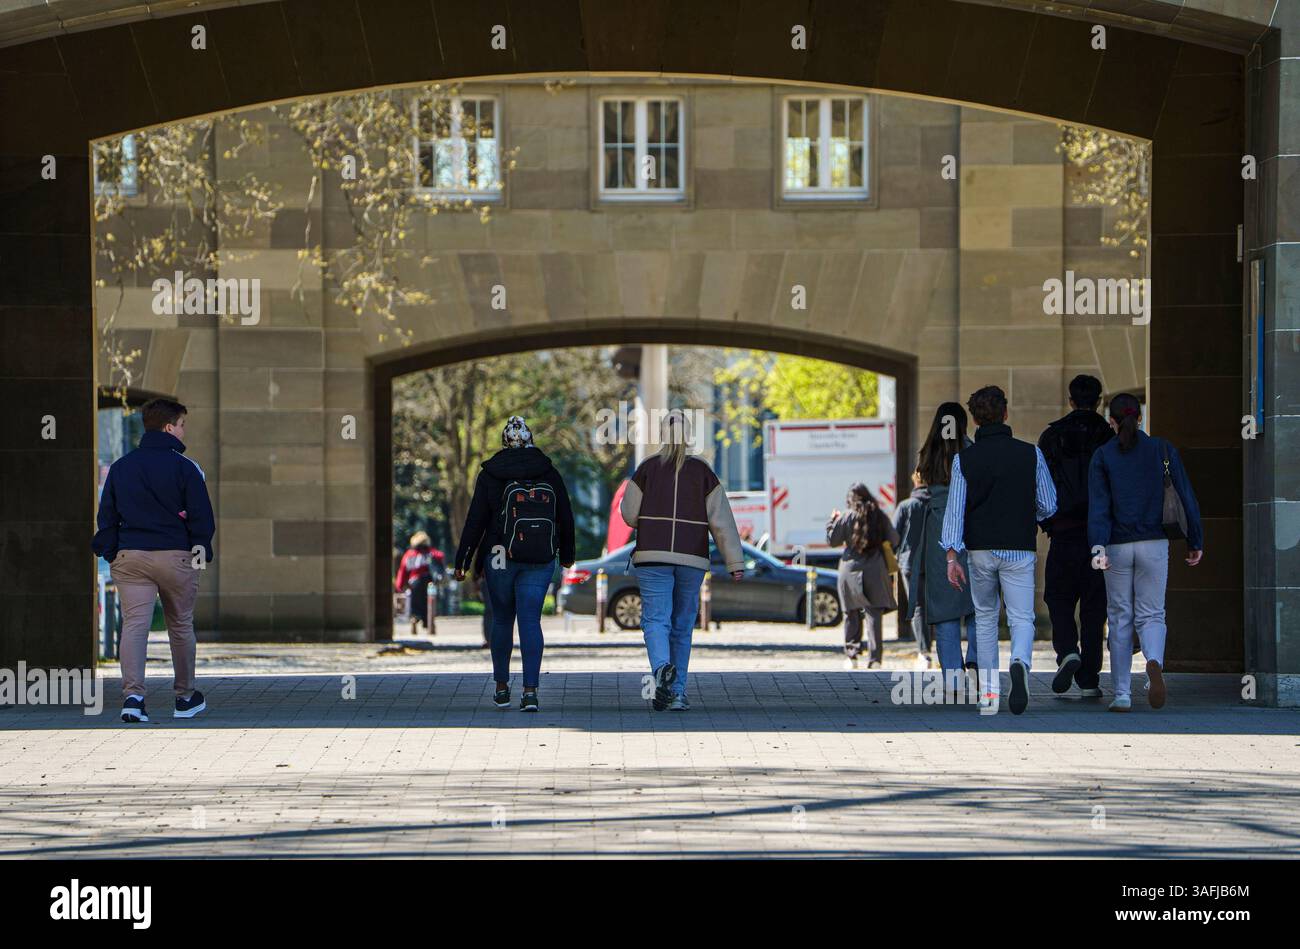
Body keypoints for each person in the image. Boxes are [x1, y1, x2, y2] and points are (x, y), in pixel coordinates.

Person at [91, 398, 214, 723]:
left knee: (133, 626)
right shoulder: (187, 468)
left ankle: (133, 698)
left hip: (130, 556)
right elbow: (201, 517)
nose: (184, 431)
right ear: (170, 427)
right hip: (176, 556)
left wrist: (111, 550)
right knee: (180, 625)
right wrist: (201, 547)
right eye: (183, 425)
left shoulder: (121, 467)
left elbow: (107, 517)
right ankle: (185, 698)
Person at [942, 386, 1057, 715]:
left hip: (979, 550)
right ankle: (1019, 662)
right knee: (1022, 617)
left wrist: (952, 556)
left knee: (986, 618)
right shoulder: (1030, 454)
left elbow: (955, 511)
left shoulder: (964, 459)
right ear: (1006, 414)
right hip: (1020, 546)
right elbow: (1049, 504)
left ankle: (989, 693)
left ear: (976, 419)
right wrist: (1028, 514)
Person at [620, 409, 744, 711]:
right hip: (692, 556)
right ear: (688, 436)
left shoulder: (647, 468)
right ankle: (676, 692)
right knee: (682, 624)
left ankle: (661, 668)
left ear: (663, 434)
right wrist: (735, 562)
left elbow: (628, 514)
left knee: (655, 619)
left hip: (652, 555)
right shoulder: (703, 472)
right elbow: (722, 521)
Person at [1089, 393, 1203, 712]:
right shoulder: (1162, 449)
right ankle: (1153, 663)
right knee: (1152, 613)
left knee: (1120, 616)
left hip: (1116, 545)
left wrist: (1097, 547)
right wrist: (1195, 540)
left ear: (1111, 421)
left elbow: (1099, 508)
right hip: (1155, 544)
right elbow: (1186, 497)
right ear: (1140, 418)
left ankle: (1122, 693)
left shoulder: (1102, 456)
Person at [454, 416, 576, 713]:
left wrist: (463, 561)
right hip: (540, 555)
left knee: (502, 620)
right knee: (530, 621)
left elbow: (475, 521)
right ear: (531, 439)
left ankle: (501, 687)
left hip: (499, 555)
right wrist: (568, 557)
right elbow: (565, 517)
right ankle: (531, 692)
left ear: (504, 442)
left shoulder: (491, 473)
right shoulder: (549, 472)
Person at [1038, 374, 1114, 698]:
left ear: (1070, 400)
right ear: (1098, 401)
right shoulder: (1109, 437)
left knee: (1058, 598)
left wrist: (1047, 521)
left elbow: (1041, 486)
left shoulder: (1052, 437)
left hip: (1064, 533)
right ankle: (1089, 679)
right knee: (1095, 608)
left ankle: (1067, 649)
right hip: (1099, 537)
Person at [902, 403, 979, 690]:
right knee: (976, 604)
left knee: (944, 610)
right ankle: (974, 661)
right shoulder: (972, 452)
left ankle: (952, 679)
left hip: (936, 533)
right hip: (971, 529)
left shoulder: (927, 454)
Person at [828, 483, 900, 669]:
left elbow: (833, 541)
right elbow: (894, 539)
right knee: (873, 614)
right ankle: (875, 659)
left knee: (851, 613)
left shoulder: (845, 516)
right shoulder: (879, 515)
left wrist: (832, 521)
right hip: (875, 569)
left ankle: (852, 656)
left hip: (849, 569)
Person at [394, 531, 435, 635]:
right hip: (430, 583)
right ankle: (431, 625)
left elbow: (403, 571)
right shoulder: (432, 553)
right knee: (430, 603)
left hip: (414, 583)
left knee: (415, 605)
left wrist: (400, 586)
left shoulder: (409, 555)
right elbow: (440, 562)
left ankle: (414, 620)